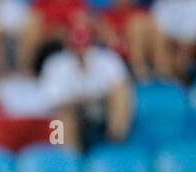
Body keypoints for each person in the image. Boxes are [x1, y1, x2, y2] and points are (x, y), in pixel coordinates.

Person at [39, 21, 133, 150]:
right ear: (68, 45)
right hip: (73, 112)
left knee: (121, 95)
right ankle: (68, 160)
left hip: (102, 110)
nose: (81, 51)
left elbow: (119, 88)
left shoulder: (107, 59)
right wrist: (85, 99)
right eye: (76, 47)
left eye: (84, 46)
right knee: (59, 121)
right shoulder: (55, 64)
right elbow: (52, 102)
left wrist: (95, 98)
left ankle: (115, 145)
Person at [96, 0, 166, 81]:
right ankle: (140, 70)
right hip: (120, 59)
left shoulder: (143, 12)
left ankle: (161, 70)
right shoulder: (105, 15)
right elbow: (108, 40)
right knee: (137, 25)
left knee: (147, 24)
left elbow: (155, 36)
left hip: (147, 53)